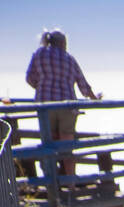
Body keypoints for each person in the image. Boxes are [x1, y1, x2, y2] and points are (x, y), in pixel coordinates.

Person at [25, 29, 99, 178]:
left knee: (49, 145)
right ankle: (71, 183)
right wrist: (95, 98)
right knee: (67, 146)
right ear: (63, 43)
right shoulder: (69, 59)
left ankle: (51, 182)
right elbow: (83, 85)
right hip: (67, 106)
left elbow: (29, 78)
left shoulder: (39, 54)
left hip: (45, 106)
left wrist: (41, 88)